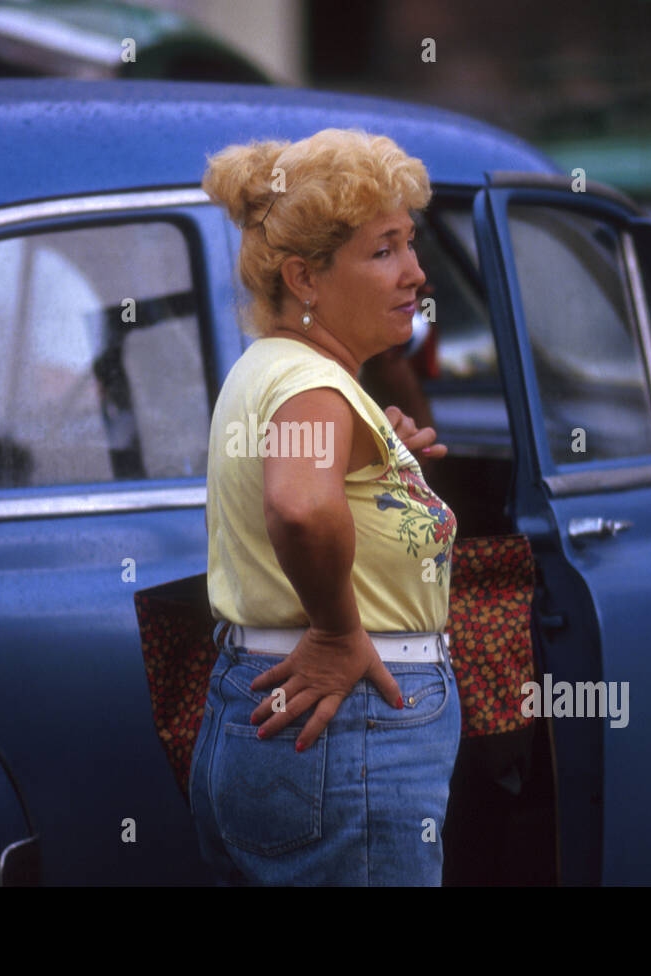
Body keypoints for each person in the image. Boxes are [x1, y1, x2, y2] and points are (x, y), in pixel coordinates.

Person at [189, 128, 460, 885]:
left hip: (283, 716)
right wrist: (341, 634)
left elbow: (308, 483)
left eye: (409, 244)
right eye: (383, 251)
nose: (415, 274)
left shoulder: (276, 371)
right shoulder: (311, 383)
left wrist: (380, 448)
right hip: (347, 729)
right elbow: (301, 508)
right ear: (305, 278)